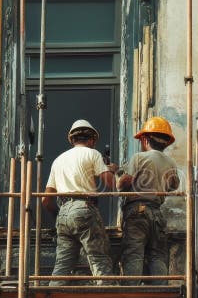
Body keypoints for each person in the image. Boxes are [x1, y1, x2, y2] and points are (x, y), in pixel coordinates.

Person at [42, 119, 117, 286]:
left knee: (62, 264)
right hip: (84, 207)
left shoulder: (58, 160)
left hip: (63, 213)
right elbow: (111, 184)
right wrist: (110, 170)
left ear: (72, 139)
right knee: (99, 258)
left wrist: (60, 214)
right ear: (91, 140)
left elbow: (46, 200)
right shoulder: (92, 154)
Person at [118, 116, 180, 285]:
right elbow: (173, 186)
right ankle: (160, 293)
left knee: (133, 254)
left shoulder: (138, 158)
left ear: (145, 139)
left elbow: (124, 182)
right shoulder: (171, 162)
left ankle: (131, 295)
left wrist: (117, 179)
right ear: (165, 142)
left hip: (137, 211)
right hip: (157, 213)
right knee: (158, 255)